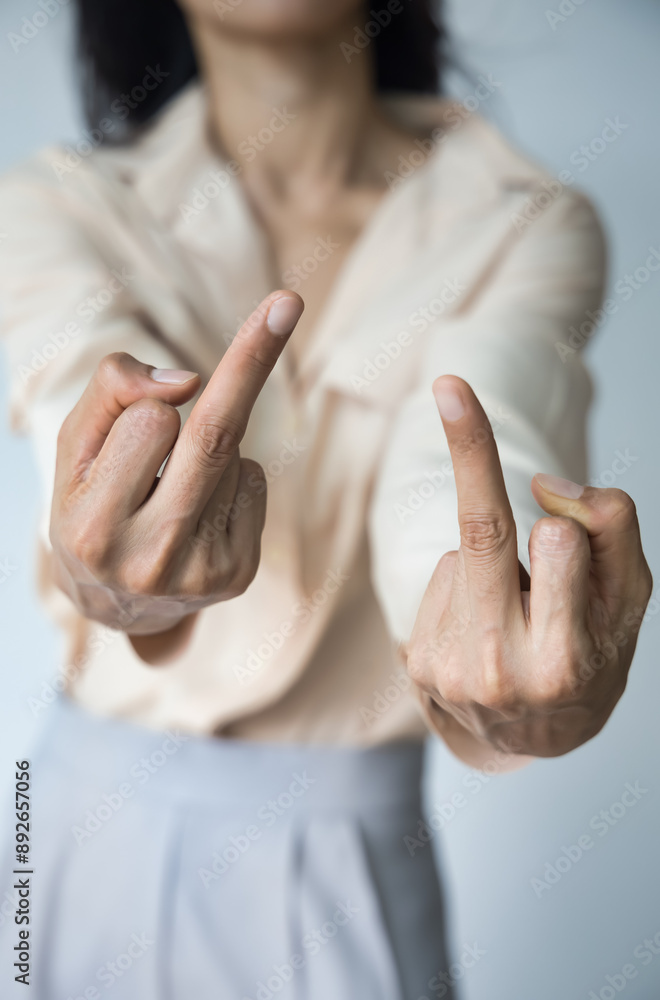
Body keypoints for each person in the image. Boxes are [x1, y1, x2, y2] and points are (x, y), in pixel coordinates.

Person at [0, 0, 652, 997]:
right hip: (85, 830)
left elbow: (469, 448)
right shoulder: (57, 205)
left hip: (346, 855)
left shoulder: (522, 222)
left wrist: (491, 629)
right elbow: (71, 399)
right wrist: (112, 565)